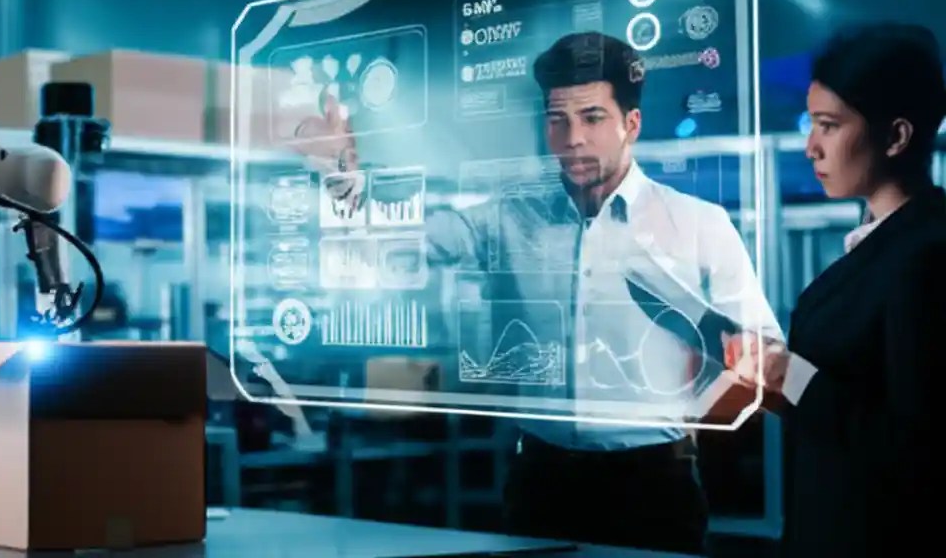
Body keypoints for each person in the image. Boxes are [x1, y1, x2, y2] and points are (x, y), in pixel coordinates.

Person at [297, 31, 779, 553]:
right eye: (557, 120)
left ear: (630, 124)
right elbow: (399, 243)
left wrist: (711, 346)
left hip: (653, 486)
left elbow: (765, 357)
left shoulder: (698, 225)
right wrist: (341, 174)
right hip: (541, 483)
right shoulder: (509, 217)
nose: (572, 138)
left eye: (592, 118)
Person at [728, 23, 946, 557]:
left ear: (895, 137)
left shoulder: (927, 257)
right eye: (810, 124)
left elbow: (918, 447)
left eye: (828, 125)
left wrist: (790, 375)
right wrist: (774, 385)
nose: (810, 148)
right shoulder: (881, 244)